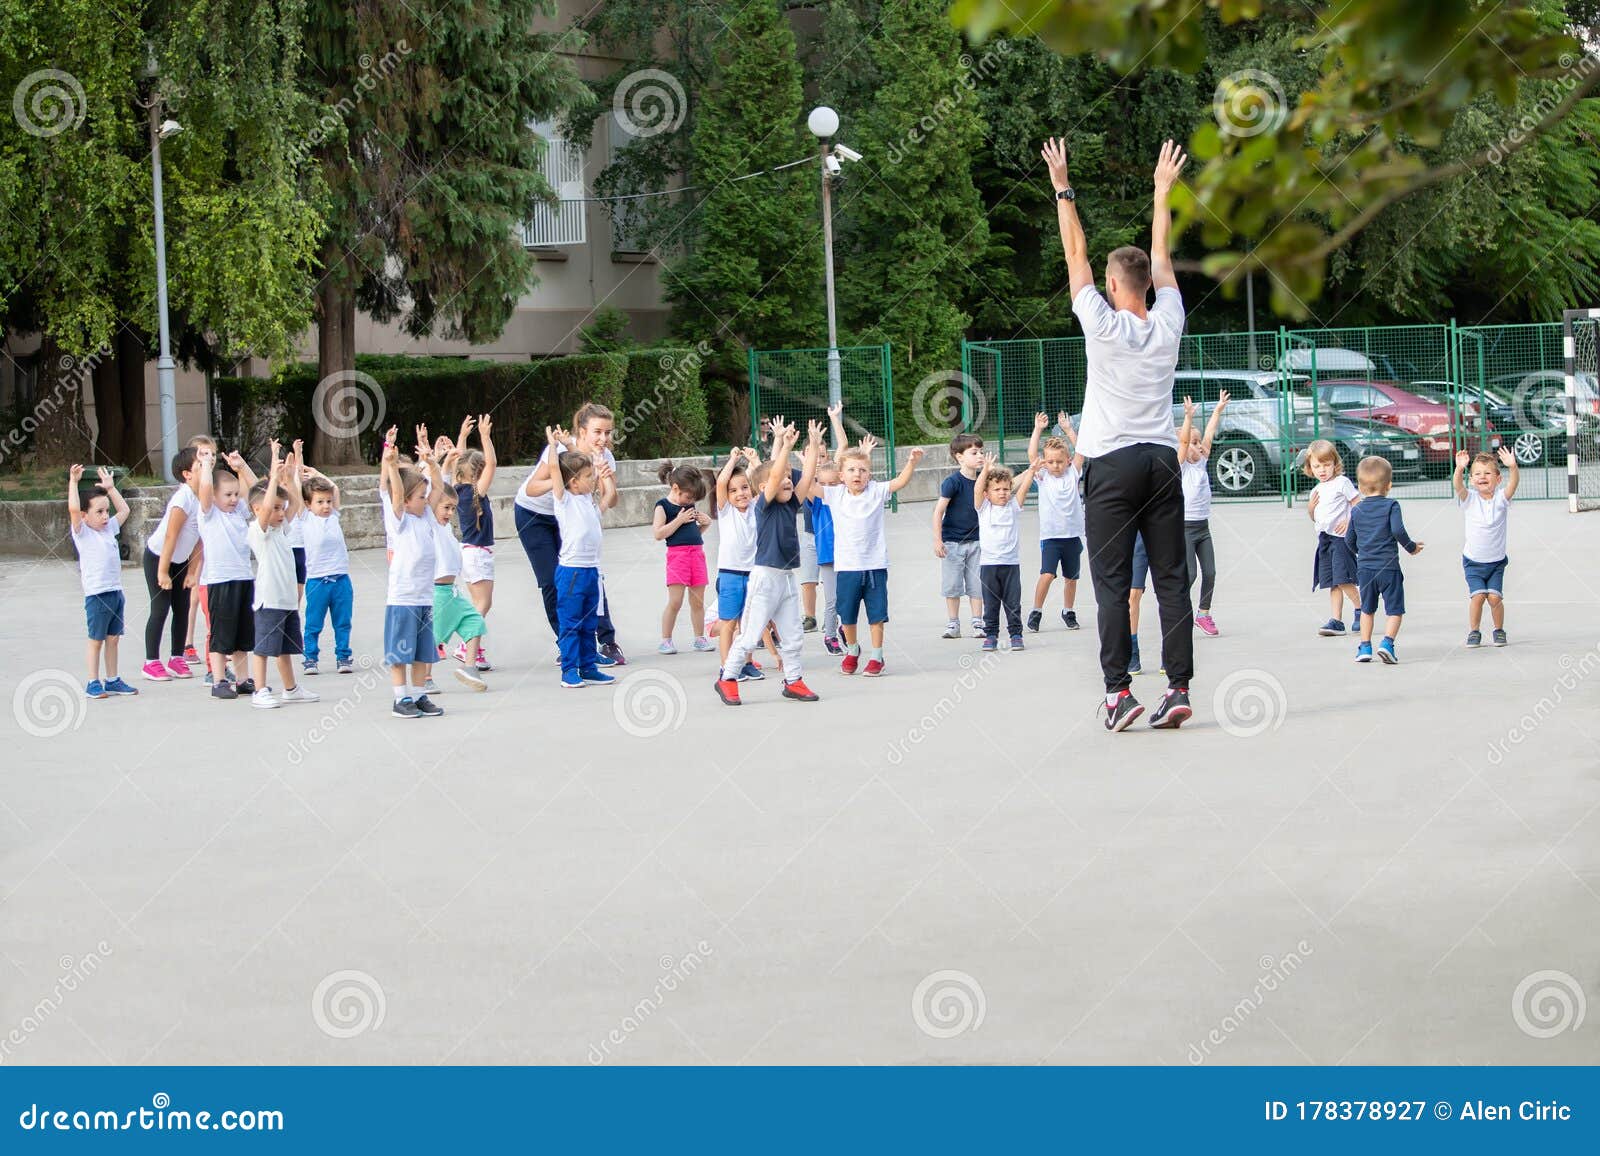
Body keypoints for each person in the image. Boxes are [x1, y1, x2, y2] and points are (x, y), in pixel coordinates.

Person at [1042, 134, 1194, 732]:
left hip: (1108, 464)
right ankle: (1178, 686)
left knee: (1110, 584)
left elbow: (1073, 250)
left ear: (1110, 287)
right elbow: (1161, 258)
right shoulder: (1170, 320)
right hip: (1161, 460)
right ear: (1149, 289)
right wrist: (1162, 191)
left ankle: (1118, 693)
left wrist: (1062, 186)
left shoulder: (1101, 323)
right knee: (1172, 579)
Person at [713, 418, 823, 706]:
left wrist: (811, 444)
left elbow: (807, 477)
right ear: (762, 488)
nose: (788, 479)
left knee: (793, 636)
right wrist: (785, 446)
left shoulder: (791, 504)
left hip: (786, 578)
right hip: (764, 578)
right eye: (782, 476)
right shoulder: (764, 506)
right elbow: (774, 478)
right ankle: (727, 678)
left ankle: (794, 681)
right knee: (749, 636)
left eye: (790, 475)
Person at [514, 403, 624, 665]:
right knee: (553, 581)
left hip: (571, 518)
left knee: (589, 573)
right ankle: (567, 643)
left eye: (608, 432)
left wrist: (604, 482)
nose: (603, 439)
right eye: (597, 432)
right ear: (582, 431)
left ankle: (607, 641)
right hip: (535, 516)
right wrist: (569, 481)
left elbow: (613, 499)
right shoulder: (561, 450)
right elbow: (532, 489)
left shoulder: (605, 457)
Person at [821, 435, 923, 676]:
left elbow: (899, 482)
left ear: (870, 474)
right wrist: (813, 449)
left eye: (863, 470)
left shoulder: (876, 491)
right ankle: (853, 650)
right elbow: (807, 486)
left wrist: (911, 463)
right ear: (841, 475)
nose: (858, 474)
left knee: (876, 613)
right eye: (852, 470)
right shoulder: (835, 496)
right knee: (847, 614)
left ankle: (877, 656)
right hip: (847, 567)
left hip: (875, 564)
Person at [245, 444, 319, 709]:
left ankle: (290, 688)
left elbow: (296, 504)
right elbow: (266, 510)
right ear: (257, 510)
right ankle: (260, 690)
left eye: (280, 508)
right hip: (270, 599)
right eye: (274, 508)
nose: (279, 513)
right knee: (264, 648)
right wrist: (273, 474)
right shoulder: (258, 531)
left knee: (285, 648)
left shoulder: (281, 528)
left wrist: (288, 479)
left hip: (286, 600)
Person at [545, 426, 618, 690]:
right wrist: (554, 446)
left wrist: (604, 473)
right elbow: (556, 471)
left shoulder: (588, 501)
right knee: (571, 623)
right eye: (589, 476)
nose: (593, 478)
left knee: (589, 622)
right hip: (572, 572)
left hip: (591, 571)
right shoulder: (564, 500)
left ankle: (589, 667)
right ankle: (569, 671)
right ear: (574, 482)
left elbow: (609, 495)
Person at [380, 428, 444, 718]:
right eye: (420, 496)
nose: (426, 499)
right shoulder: (400, 521)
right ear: (406, 500)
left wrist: (432, 464)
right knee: (400, 652)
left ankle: (419, 695)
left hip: (424, 597)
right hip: (403, 598)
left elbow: (439, 489)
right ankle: (400, 698)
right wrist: (392, 465)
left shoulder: (425, 514)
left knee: (422, 650)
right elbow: (394, 492)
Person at [1345, 456, 1424, 664]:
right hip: (1389, 568)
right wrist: (1412, 548)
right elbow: (1397, 530)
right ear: (1389, 485)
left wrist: (1360, 553)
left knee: (1367, 610)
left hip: (1365, 568)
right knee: (1395, 609)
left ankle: (1364, 647)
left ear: (1360, 487)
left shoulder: (1357, 509)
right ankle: (1387, 644)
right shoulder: (1392, 505)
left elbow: (1348, 539)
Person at [68, 465, 138, 698]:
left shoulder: (109, 529)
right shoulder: (83, 533)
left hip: (115, 592)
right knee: (96, 641)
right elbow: (73, 509)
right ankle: (92, 682)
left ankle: (112, 679)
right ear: (85, 517)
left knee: (113, 639)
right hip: (97, 595)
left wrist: (110, 488)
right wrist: (74, 482)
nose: (106, 516)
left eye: (106, 511)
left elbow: (125, 509)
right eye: (99, 512)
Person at [195, 449, 257, 700]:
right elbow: (205, 491)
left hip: (243, 578)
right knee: (221, 633)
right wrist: (207, 465)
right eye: (227, 495)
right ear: (214, 496)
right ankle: (219, 680)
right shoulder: (209, 514)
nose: (233, 499)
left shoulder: (240, 512)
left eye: (235, 494)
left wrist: (241, 467)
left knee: (243, 634)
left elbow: (256, 492)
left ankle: (243, 679)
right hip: (220, 581)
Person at [141, 446, 204, 681]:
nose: (207, 467)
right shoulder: (183, 498)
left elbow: (200, 539)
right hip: (159, 557)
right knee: (160, 609)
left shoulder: (205, 497)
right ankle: (151, 662)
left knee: (182, 608)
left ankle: (177, 658)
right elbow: (171, 536)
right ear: (187, 474)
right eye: (200, 465)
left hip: (180, 561)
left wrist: (191, 571)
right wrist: (163, 571)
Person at [711, 448, 770, 682]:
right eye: (733, 491)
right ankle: (726, 665)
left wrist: (754, 461)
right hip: (730, 574)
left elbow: (761, 479)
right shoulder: (726, 511)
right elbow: (722, 481)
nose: (740, 493)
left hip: (753, 573)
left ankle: (746, 663)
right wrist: (734, 459)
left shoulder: (756, 508)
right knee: (729, 623)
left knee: (748, 623)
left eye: (744, 488)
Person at [974, 451, 1039, 651]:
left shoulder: (1013, 506)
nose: (1002, 493)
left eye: (1005, 489)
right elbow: (977, 490)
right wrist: (985, 470)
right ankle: (991, 635)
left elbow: (1024, 488)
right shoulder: (983, 508)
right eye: (997, 489)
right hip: (989, 565)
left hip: (1011, 564)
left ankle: (1016, 634)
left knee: (1013, 603)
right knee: (991, 604)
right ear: (987, 493)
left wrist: (1031, 472)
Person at [1453, 446, 1517, 648]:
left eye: (1488, 473)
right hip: (1473, 562)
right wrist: (1459, 469)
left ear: (1498, 479)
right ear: (1471, 480)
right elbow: (1458, 486)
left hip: (1496, 562)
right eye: (1478, 474)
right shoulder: (1469, 499)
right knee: (1479, 596)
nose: (1482, 477)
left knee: (1494, 597)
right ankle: (1474, 631)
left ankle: (1499, 630)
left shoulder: (1501, 500)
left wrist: (1513, 467)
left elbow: (1513, 485)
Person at [1027, 411, 1084, 632]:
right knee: (1047, 574)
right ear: (1045, 462)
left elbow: (1081, 451)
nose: (1055, 465)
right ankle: (1036, 611)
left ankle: (1068, 611)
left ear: (1067, 461)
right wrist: (1038, 429)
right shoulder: (1043, 477)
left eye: (1059, 461)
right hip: (1051, 537)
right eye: (1050, 461)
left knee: (1071, 577)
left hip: (1072, 536)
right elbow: (1032, 455)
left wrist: (1069, 429)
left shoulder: (1073, 473)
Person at [430, 484, 489, 691]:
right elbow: (436, 485)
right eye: (446, 507)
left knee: (474, 621)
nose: (450, 513)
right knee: (434, 637)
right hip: (437, 592)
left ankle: (469, 667)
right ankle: (425, 678)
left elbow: (443, 483)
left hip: (451, 591)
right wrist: (433, 464)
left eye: (453, 508)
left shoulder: (445, 527)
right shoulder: (430, 525)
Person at [1178, 394, 1228, 636]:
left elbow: (1209, 431)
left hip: (1202, 527)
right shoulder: (1182, 465)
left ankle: (1203, 614)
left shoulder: (1202, 462)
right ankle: (1178, 612)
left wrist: (1217, 409)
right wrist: (1188, 418)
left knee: (1210, 572)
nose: (1198, 445)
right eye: (1193, 442)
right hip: (1184, 528)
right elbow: (1185, 439)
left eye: (1199, 442)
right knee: (1190, 574)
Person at [653, 462, 713, 654]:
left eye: (693, 499)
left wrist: (705, 525)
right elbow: (659, 533)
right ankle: (666, 639)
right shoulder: (663, 506)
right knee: (676, 601)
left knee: (697, 601)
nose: (690, 501)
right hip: (677, 557)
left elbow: (693, 533)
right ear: (676, 488)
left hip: (696, 553)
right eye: (688, 497)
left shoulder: (688, 505)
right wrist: (679, 520)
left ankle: (699, 637)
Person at [452, 413, 496, 670]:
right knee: (483, 603)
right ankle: (466, 646)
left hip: (468, 552)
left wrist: (462, 437)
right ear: (477, 475)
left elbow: (460, 460)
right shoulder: (474, 492)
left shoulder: (458, 490)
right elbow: (492, 464)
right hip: (478, 553)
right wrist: (485, 437)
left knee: (478, 602)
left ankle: (474, 649)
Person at [1303, 440, 1362, 636]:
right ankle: (1336, 621)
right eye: (1316, 466)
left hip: (1341, 539)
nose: (1322, 470)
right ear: (1310, 468)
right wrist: (1311, 508)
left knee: (1343, 579)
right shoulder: (1316, 490)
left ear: (1335, 464)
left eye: (1326, 465)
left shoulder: (1342, 483)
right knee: (1332, 583)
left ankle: (1360, 609)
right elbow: (1315, 517)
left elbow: (1357, 503)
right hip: (1324, 540)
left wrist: (1349, 521)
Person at [298, 471, 354, 675]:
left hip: (341, 579)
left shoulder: (334, 516)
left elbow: (335, 489)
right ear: (308, 504)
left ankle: (343, 656)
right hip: (317, 581)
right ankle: (310, 658)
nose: (326, 506)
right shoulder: (306, 519)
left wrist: (317, 475)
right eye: (320, 502)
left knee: (343, 622)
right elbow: (297, 493)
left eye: (329, 501)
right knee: (313, 623)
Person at [932, 433, 987, 639]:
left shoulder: (984, 480)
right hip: (952, 543)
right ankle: (953, 623)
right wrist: (938, 540)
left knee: (977, 584)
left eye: (981, 451)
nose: (980, 455)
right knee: (952, 586)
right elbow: (938, 512)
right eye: (974, 452)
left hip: (978, 542)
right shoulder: (952, 482)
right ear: (959, 457)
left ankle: (977, 622)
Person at [180, 433, 219, 667]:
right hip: (191, 546)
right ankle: (187, 643)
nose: (210, 458)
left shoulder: (215, 481)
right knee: (192, 596)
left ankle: (198, 640)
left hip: (208, 546)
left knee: (199, 595)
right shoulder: (190, 487)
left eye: (213, 453)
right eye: (204, 454)